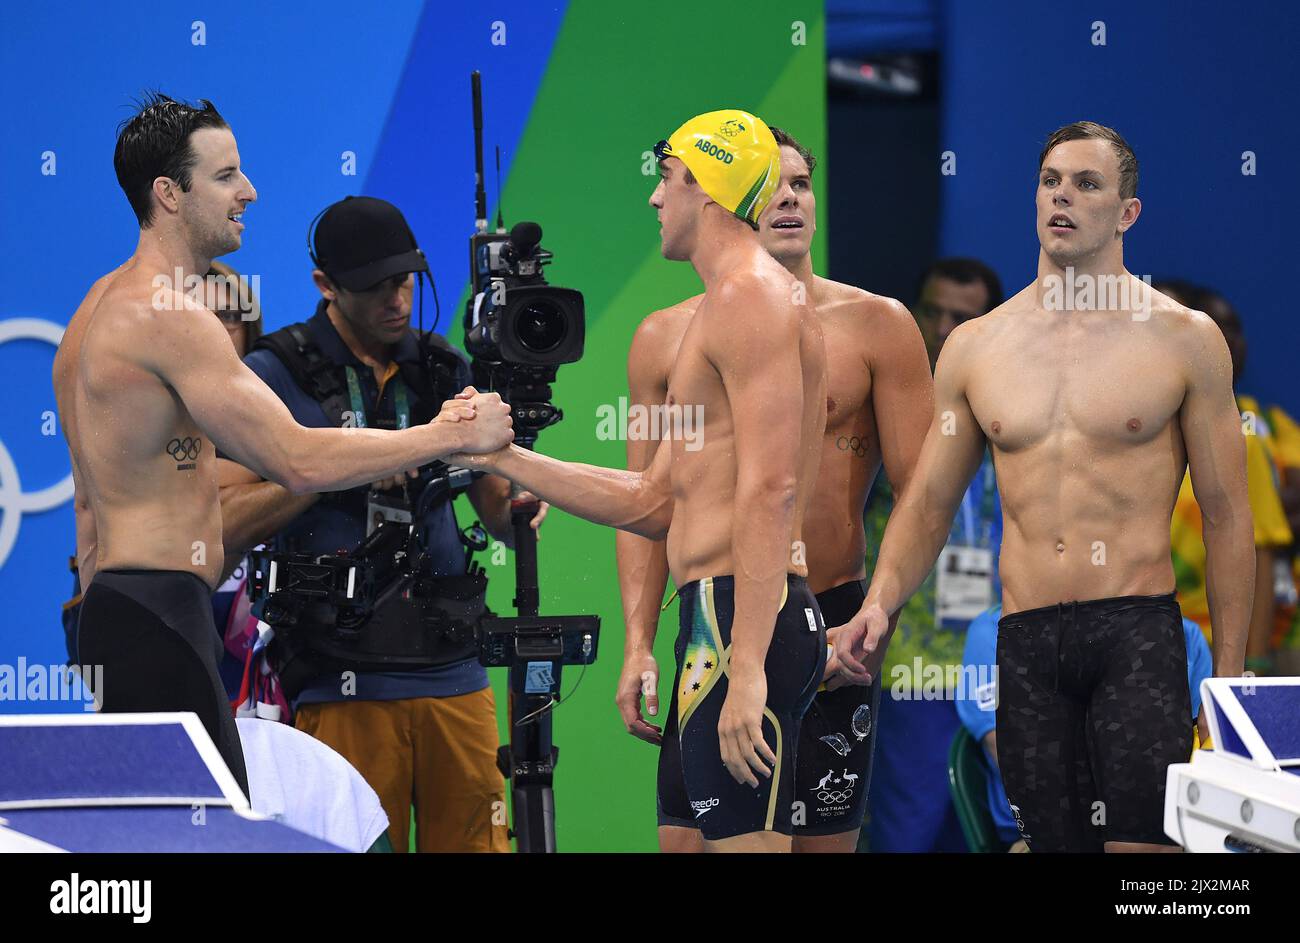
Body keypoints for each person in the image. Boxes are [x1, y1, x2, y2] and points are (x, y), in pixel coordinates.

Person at [51, 93, 513, 800]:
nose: (249, 191)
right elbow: (295, 458)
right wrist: (449, 434)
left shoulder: (94, 308)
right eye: (227, 175)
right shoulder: (171, 314)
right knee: (193, 840)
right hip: (160, 613)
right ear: (168, 194)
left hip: (121, 611)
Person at [834, 120, 1254, 853]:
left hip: (1135, 635)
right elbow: (929, 501)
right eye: (1051, 180)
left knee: (1141, 857)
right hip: (1025, 642)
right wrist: (879, 603)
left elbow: (1224, 516)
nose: (1062, 196)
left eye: (1087, 183)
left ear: (1127, 213)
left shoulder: (1184, 341)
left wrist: (1229, 681)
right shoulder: (975, 348)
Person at [454, 109, 827, 852]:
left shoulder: (749, 296)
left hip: (739, 621)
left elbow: (772, 489)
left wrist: (747, 664)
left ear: (708, 188)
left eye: (668, 179)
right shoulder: (721, 310)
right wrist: (501, 456)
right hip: (709, 621)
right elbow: (654, 500)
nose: (656, 199)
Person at [613, 126, 932, 853]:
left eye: (802, 184)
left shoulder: (880, 326)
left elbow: (923, 492)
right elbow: (646, 502)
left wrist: (878, 610)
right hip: (718, 620)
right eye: (772, 183)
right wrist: (638, 643)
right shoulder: (663, 340)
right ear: (735, 196)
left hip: (832, 623)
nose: (787, 198)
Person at [218, 195, 542, 852]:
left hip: (456, 671)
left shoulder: (446, 367)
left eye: (405, 280)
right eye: (375, 288)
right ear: (325, 286)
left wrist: (522, 496)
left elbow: (502, 517)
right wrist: (330, 466)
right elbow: (222, 524)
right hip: (338, 678)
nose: (397, 300)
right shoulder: (270, 374)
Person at [862, 258, 1004, 853]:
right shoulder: (880, 410)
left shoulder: (1012, 412)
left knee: (986, 836)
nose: (944, 328)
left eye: (963, 316)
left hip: (1001, 672)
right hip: (907, 671)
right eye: (933, 311)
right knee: (905, 838)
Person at [954, 604, 1213, 852]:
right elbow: (1013, 756)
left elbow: (1200, 748)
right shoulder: (991, 629)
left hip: (1168, 827)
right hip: (1036, 834)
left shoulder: (1181, 631)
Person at [1155, 281, 1293, 677]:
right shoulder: (1112, 429)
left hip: (1213, 647)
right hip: (1133, 640)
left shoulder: (1242, 433)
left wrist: (1255, 660)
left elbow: (1257, 551)